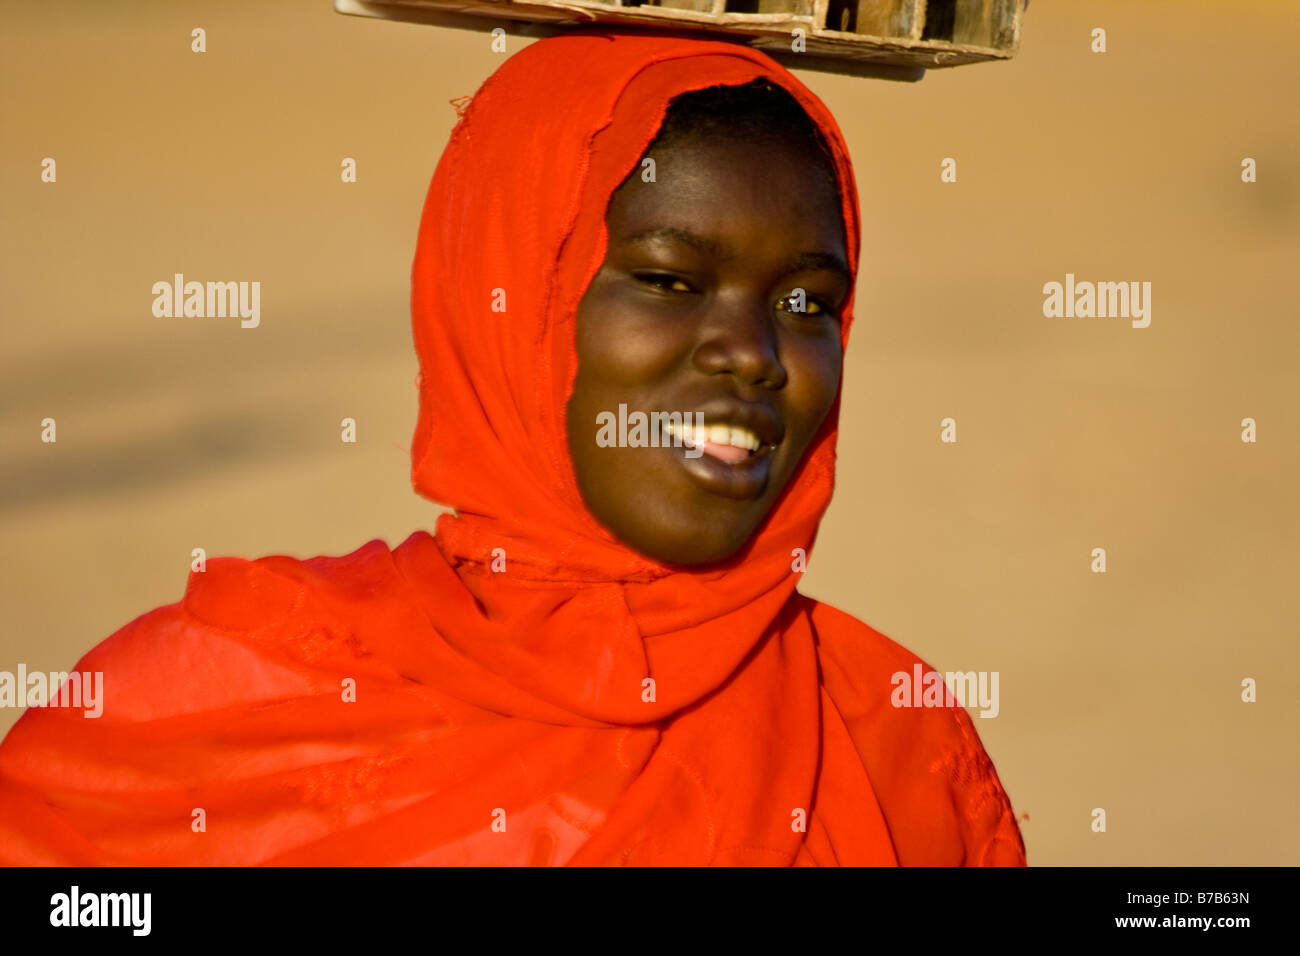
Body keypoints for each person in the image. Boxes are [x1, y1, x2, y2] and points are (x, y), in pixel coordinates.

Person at [0, 28, 1026, 866]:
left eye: (806, 301)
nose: (754, 356)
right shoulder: (201, 731)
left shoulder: (888, 736)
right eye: (669, 280)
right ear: (504, 304)